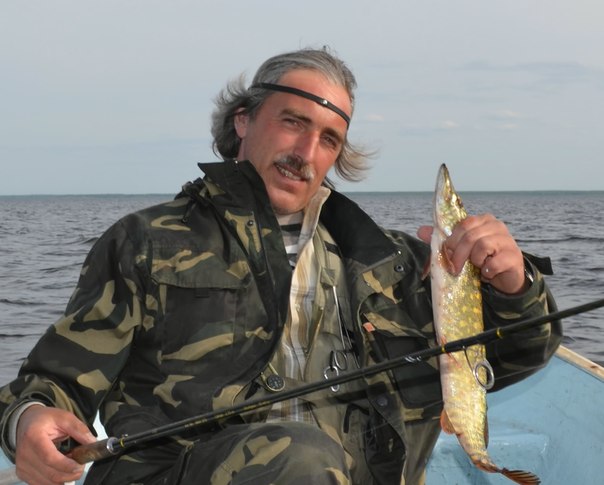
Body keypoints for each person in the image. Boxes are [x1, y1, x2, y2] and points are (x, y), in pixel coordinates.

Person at [0, 47, 561, 485]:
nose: (306, 153)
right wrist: (28, 421)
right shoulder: (146, 242)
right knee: (300, 456)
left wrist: (514, 285)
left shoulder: (396, 264)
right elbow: (55, 382)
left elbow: (512, 355)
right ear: (243, 121)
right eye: (293, 122)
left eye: (329, 140)